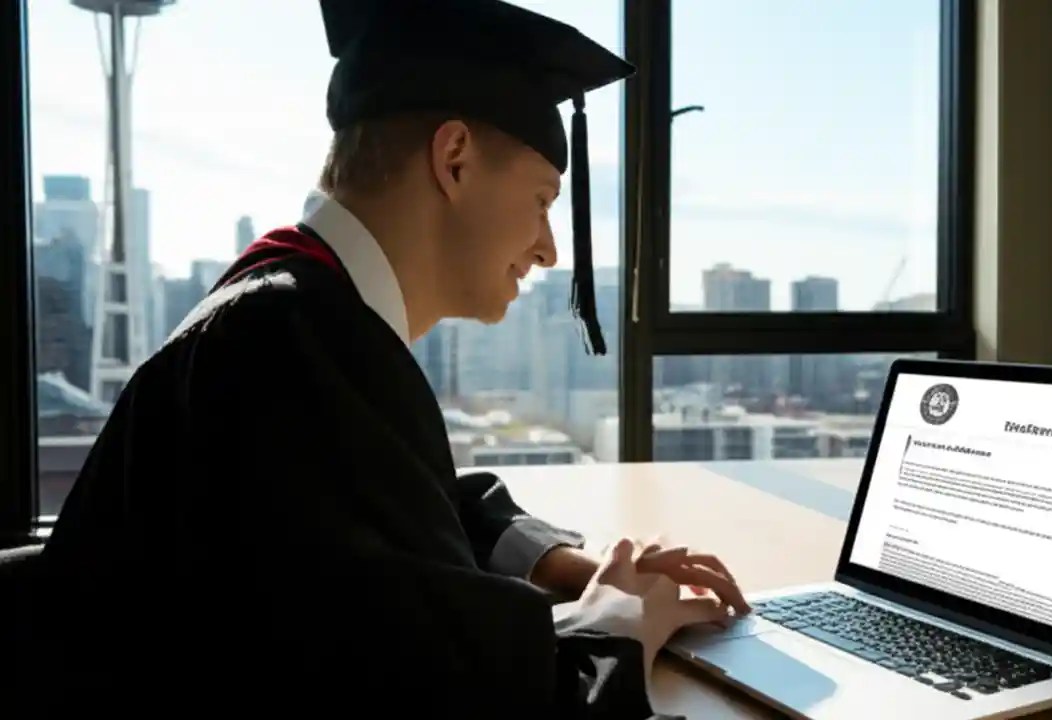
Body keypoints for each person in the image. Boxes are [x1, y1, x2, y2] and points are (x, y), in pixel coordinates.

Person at [26, 0, 749, 715]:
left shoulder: (289, 309)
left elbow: (385, 513)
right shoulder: (287, 346)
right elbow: (462, 697)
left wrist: (564, 567)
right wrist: (617, 620)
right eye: (541, 199)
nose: (548, 248)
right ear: (454, 159)